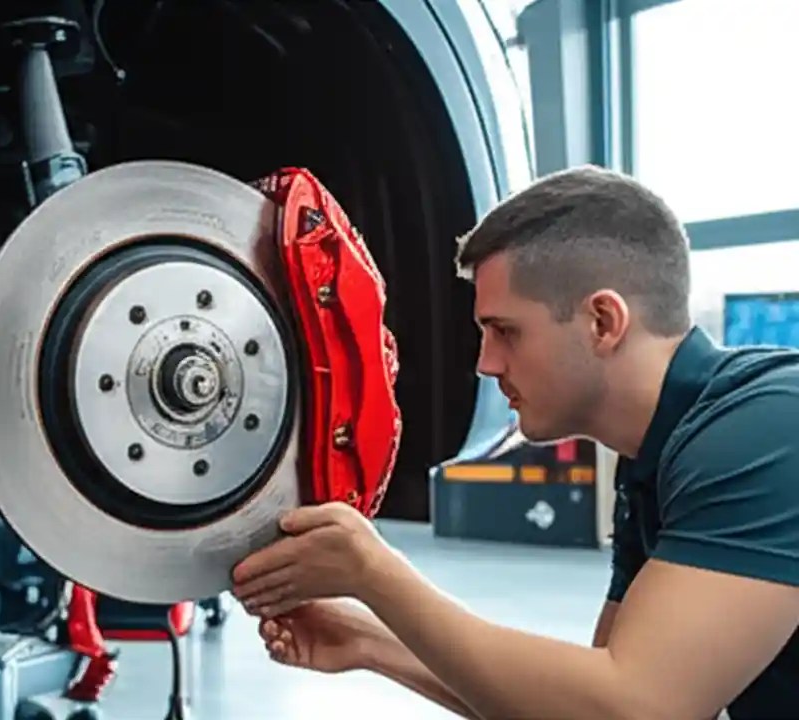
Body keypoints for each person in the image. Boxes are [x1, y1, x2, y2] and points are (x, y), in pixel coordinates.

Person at [231, 165, 799, 720]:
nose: (486, 363)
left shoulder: (766, 431)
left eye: (506, 331)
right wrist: (376, 642)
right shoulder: (657, 459)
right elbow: (577, 707)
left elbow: (632, 709)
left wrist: (376, 575)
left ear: (603, 321)